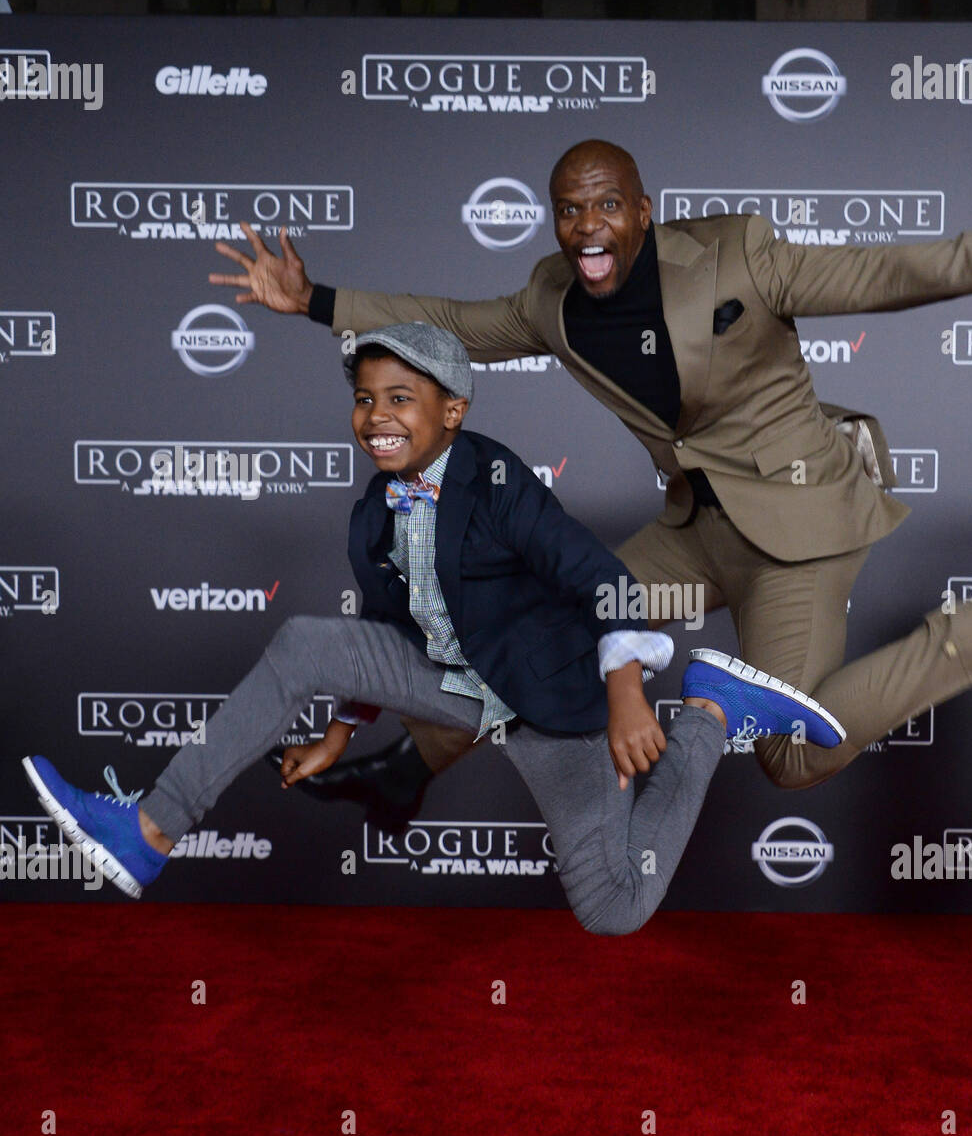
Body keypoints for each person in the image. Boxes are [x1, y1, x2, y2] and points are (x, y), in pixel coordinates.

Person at [210, 139, 972, 816]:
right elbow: (456, 325)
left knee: (791, 759)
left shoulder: (738, 257)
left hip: (797, 531)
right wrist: (317, 302)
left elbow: (892, 270)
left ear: (644, 210)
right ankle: (406, 773)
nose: (588, 226)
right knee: (540, 627)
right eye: (570, 208)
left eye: (607, 205)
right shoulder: (552, 297)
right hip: (696, 529)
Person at [22, 323, 846, 936]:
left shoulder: (494, 479)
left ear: (453, 411)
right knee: (309, 642)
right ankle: (147, 831)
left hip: (554, 695)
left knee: (615, 909)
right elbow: (384, 637)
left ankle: (708, 707)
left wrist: (629, 692)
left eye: (400, 399)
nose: (376, 416)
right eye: (365, 399)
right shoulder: (370, 519)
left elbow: (600, 577)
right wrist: (343, 729)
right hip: (461, 683)